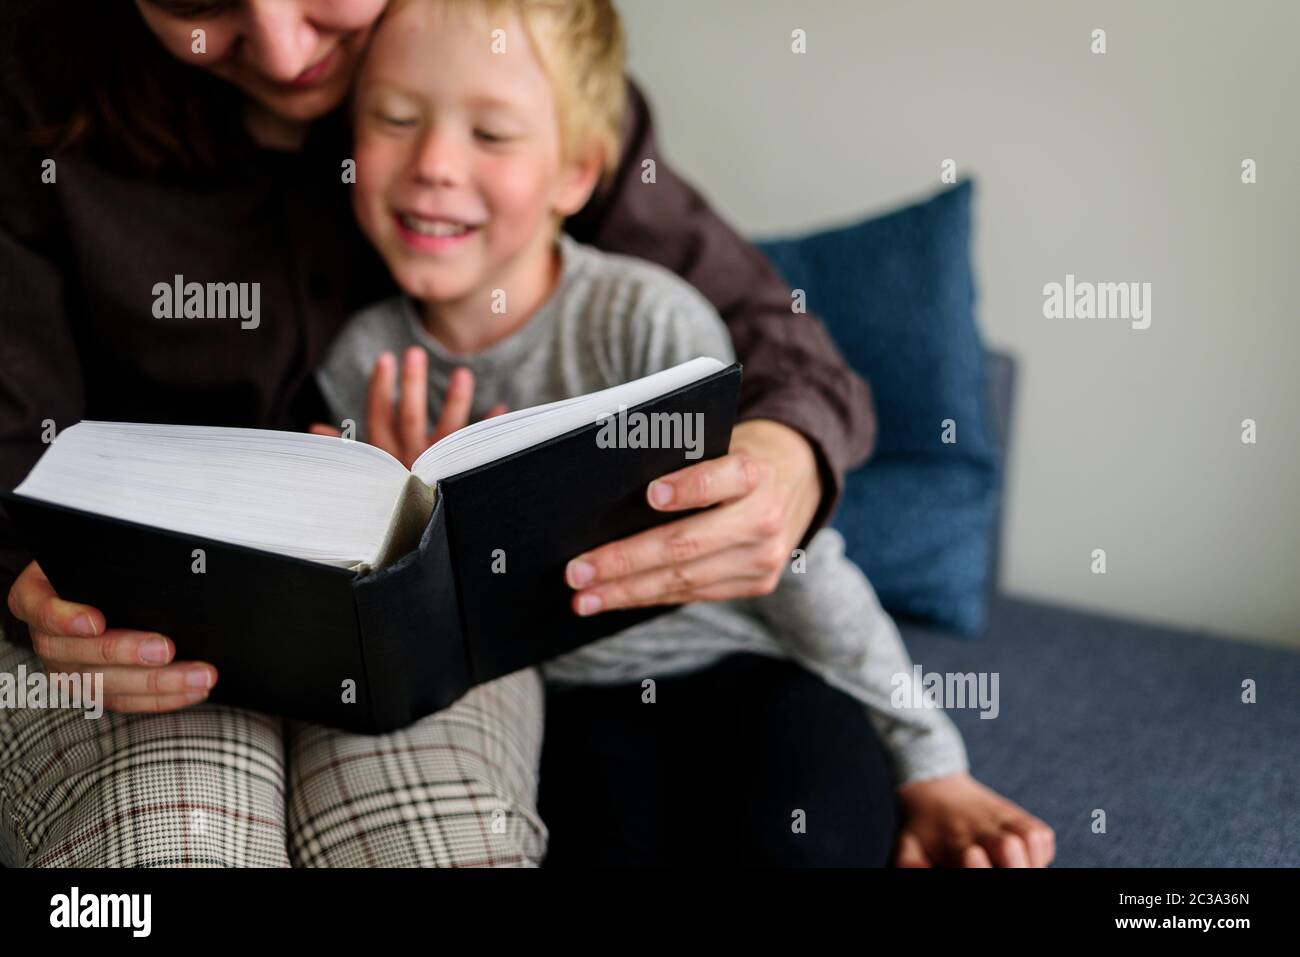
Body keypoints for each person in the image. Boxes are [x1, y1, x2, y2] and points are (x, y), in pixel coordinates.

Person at [0, 0, 875, 866]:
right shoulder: (30, 90)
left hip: (424, 631)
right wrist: (21, 582)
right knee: (173, 828)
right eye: (200, 0)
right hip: (121, 625)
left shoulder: (484, 46)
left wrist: (787, 451)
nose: (279, 49)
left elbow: (769, 338)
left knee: (426, 840)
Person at [314, 0, 1056, 867]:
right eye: (395, 120)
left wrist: (931, 758)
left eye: (492, 134)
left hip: (740, 670)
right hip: (552, 710)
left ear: (576, 173)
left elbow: (796, 554)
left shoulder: (647, 319)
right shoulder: (359, 357)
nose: (434, 163)